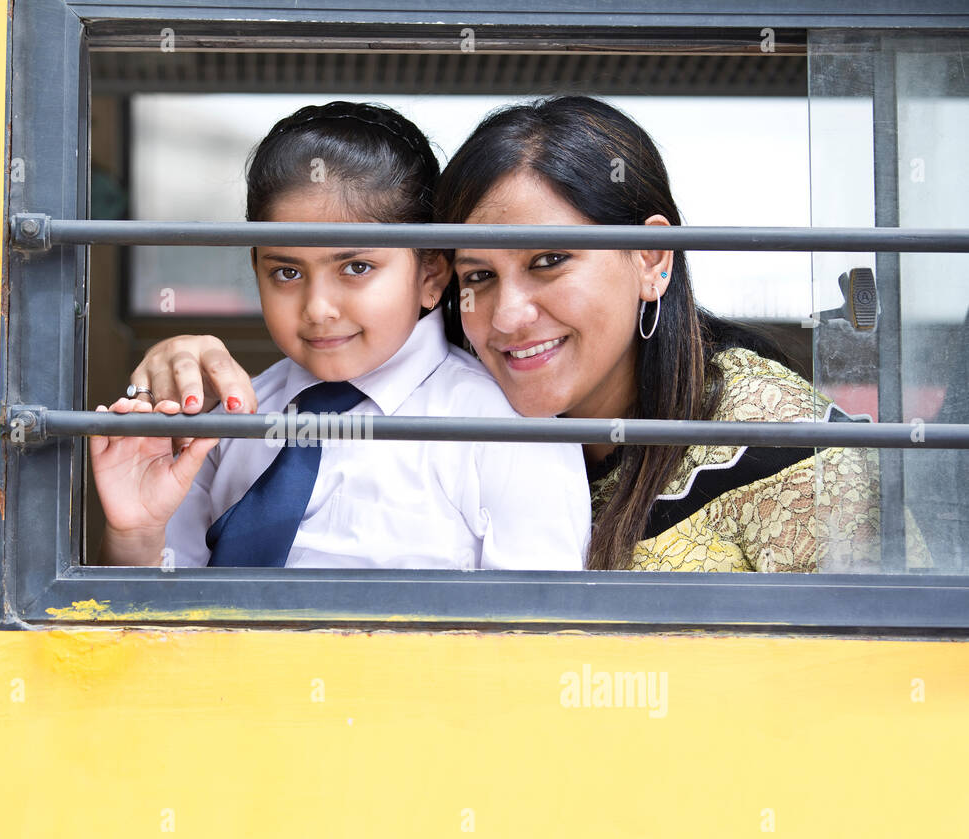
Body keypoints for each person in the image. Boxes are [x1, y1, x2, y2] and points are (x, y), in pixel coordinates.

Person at [125, 95, 899, 572]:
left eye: (551, 261)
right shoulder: (308, 409)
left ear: (652, 258)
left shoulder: (793, 461)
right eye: (479, 276)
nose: (507, 316)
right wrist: (174, 359)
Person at [89, 101, 590, 570]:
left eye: (356, 267)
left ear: (432, 274)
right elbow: (155, 631)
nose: (318, 309)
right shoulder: (226, 426)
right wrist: (136, 535)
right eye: (286, 272)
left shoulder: (504, 432)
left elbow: (539, 640)